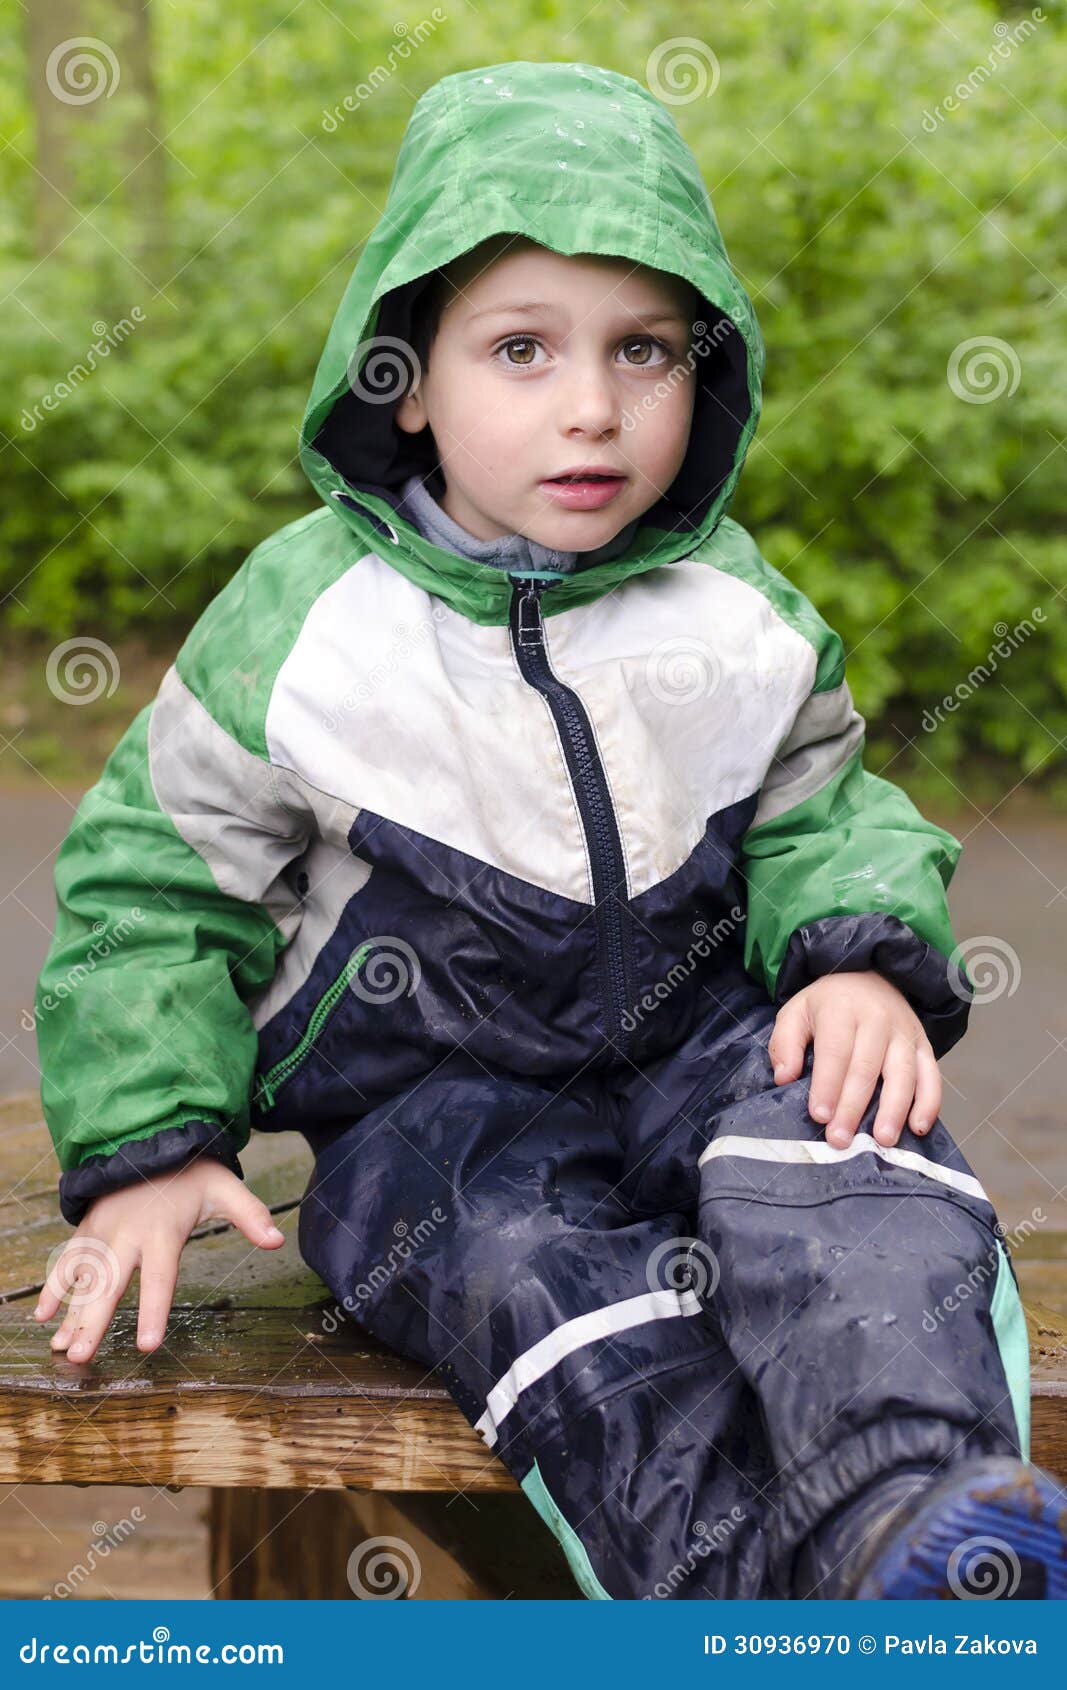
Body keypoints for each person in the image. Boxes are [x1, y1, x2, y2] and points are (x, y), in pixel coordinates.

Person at [31, 60, 1065, 1600]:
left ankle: (913, 1521)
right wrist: (152, 1142)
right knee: (531, 1281)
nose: (593, 404)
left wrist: (854, 958)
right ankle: (739, 1603)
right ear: (411, 379)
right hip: (430, 1117)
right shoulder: (309, 624)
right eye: (521, 348)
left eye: (642, 349)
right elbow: (153, 885)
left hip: (709, 1041)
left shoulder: (731, 607)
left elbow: (821, 803)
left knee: (853, 1159)